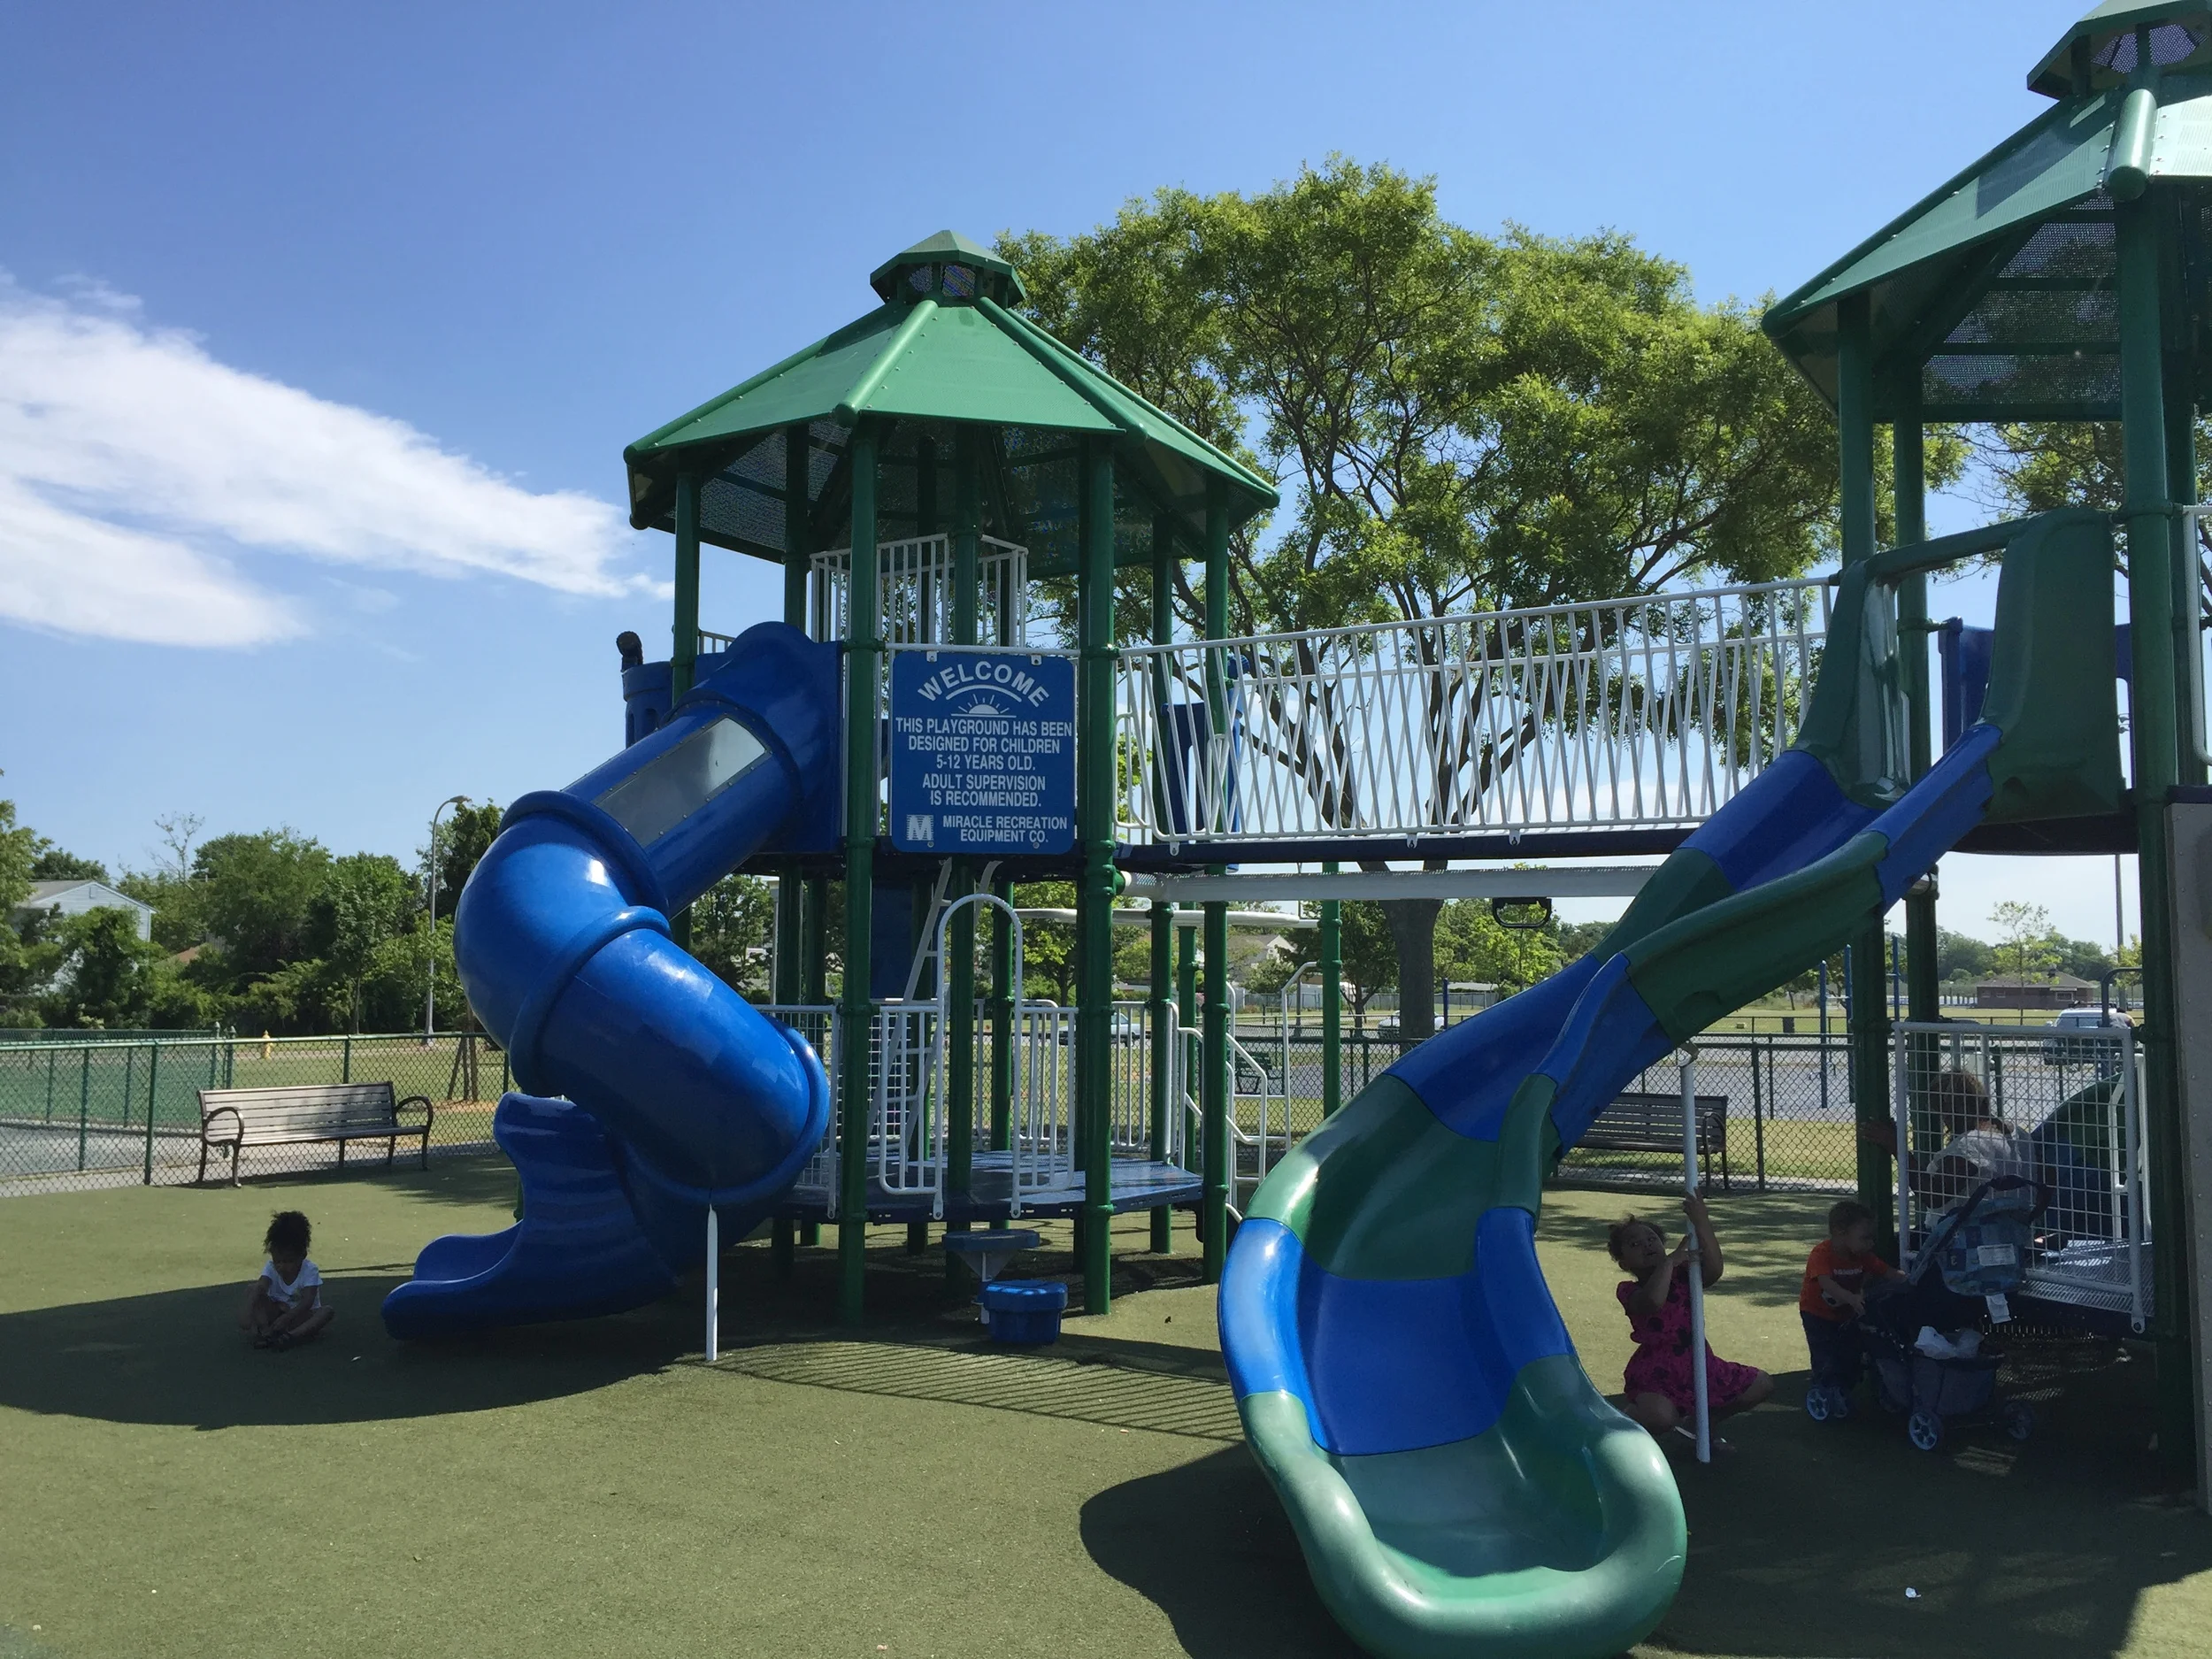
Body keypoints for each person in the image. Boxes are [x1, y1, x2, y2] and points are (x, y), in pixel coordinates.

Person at [1608, 1194, 1772, 1447]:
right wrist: (1671, 1261)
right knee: (1662, 1419)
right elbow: (1653, 1301)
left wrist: (1701, 1221)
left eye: (1652, 1239)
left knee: (1760, 1384)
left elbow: (1715, 1269)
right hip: (1658, 1372)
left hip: (1699, 1362)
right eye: (1635, 1244)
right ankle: (1624, 1423)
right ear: (1623, 1262)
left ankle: (1703, 1424)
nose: (1647, 1245)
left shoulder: (1684, 1275)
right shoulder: (1629, 1290)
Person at [1859, 1068, 2032, 1224]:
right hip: (2012, 1229)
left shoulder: (1972, 1144)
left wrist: (1897, 1147)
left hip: (1966, 1240)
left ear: (1951, 1110)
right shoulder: (2018, 1133)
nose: (1944, 1120)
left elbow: (1934, 1196)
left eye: (1942, 1113)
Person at [1799, 1198, 1899, 1402]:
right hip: (1817, 1314)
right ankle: (1825, 1387)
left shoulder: (1864, 1256)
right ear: (1840, 1232)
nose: (1871, 1244)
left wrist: (1907, 1279)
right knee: (1824, 1351)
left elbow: (1886, 1271)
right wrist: (1852, 1298)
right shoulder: (1821, 1254)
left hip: (1847, 1314)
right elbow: (1827, 1284)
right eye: (1865, 1238)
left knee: (1850, 1349)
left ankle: (1847, 1384)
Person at [239, 1210, 334, 1350]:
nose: (282, 1266)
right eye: (278, 1261)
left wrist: (287, 1317)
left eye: (288, 1261)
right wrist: (247, 1311)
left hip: (300, 1317)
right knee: (252, 1289)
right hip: (275, 1315)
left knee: (326, 1311)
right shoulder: (271, 1268)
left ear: (302, 1255)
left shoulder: (309, 1270)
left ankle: (291, 1337)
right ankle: (266, 1333)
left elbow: (308, 1302)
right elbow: (260, 1287)